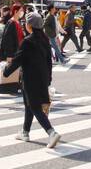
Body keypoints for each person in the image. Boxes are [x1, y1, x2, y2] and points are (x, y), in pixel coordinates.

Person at [6, 12, 63, 148]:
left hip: (30, 78)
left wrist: (7, 71)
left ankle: (51, 132)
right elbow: (49, 61)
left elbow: (18, 59)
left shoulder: (28, 41)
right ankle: (25, 132)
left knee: (35, 106)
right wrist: (48, 78)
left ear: (29, 25)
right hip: (43, 77)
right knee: (28, 104)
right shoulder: (45, 39)